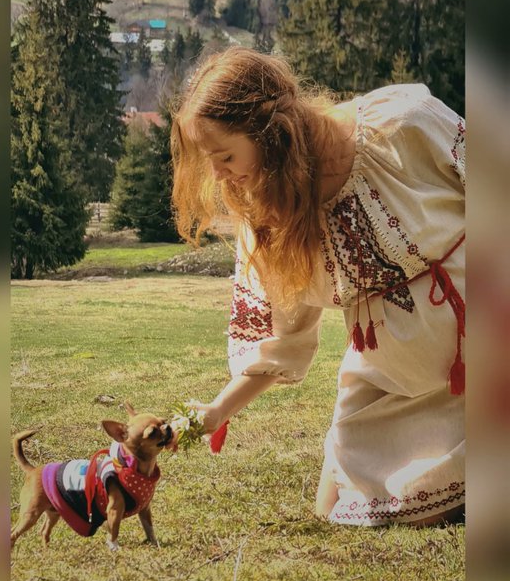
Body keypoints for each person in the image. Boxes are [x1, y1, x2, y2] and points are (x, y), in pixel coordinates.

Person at [170, 46, 465, 527]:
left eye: (225, 156)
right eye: (210, 160)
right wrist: (217, 411)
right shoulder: (266, 218)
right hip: (390, 377)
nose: (218, 174)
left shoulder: (399, 123)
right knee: (335, 510)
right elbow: (281, 342)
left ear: (270, 135)